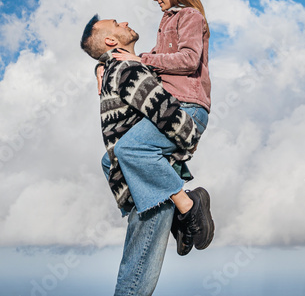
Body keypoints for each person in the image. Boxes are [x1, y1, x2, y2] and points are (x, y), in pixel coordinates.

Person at [81, 16, 213, 296]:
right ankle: (187, 206)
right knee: (136, 270)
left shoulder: (116, 68)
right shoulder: (126, 68)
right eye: (117, 23)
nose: (125, 22)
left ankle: (181, 209)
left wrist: (101, 64)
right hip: (145, 183)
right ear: (110, 40)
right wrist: (189, 136)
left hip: (139, 181)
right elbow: (162, 108)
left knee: (133, 267)